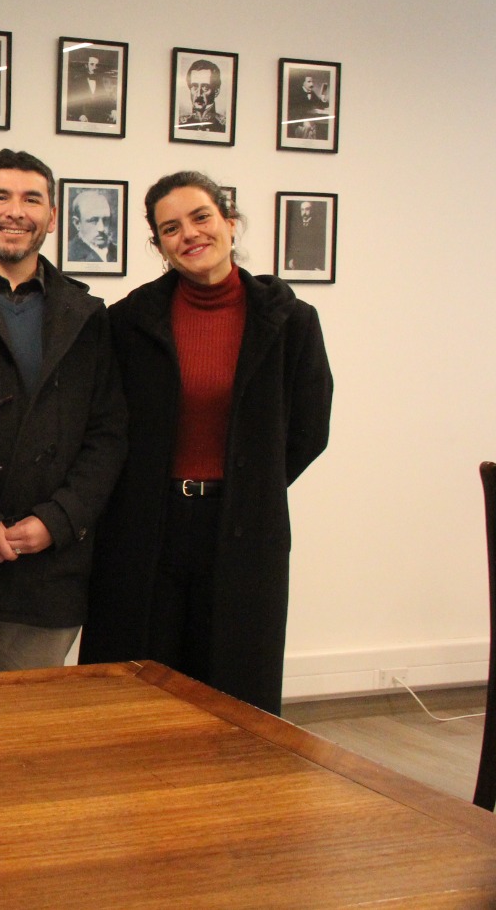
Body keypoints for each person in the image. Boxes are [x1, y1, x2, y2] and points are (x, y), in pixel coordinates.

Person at [81, 170, 333, 715]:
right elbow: (108, 424)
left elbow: (310, 429)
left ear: (230, 223)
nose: (189, 234)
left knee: (235, 691)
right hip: (147, 525)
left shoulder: (290, 321)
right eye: (170, 228)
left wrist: (249, 480)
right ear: (159, 246)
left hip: (243, 526)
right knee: (139, 687)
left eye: (201, 217)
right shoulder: (128, 322)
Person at [0, 150, 126, 675]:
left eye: (31, 199)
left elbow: (108, 436)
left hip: (50, 562)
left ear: (52, 217)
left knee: (32, 735)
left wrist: (57, 521)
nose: (15, 211)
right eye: (0, 197)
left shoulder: (89, 317)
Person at [66, 187, 117, 263]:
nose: (101, 228)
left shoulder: (117, 251)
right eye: (93, 220)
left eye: (105, 220)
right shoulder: (69, 254)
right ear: (77, 223)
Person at [66, 51, 116, 124]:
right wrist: (80, 115)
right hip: (82, 118)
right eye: (92, 64)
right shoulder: (77, 80)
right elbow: (72, 101)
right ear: (86, 65)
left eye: (97, 65)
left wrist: (113, 110)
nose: (94, 67)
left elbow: (105, 99)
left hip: (98, 118)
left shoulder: (100, 80)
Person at [177, 59, 226, 132]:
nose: (199, 94)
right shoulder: (180, 124)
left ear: (216, 91)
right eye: (195, 86)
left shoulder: (224, 126)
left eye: (205, 87)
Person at [284, 199, 326, 271]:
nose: (304, 212)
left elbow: (321, 247)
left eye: (307, 209)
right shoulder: (296, 225)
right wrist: (291, 259)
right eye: (302, 210)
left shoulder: (319, 226)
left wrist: (318, 265)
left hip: (313, 264)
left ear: (312, 210)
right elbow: (292, 244)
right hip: (297, 262)